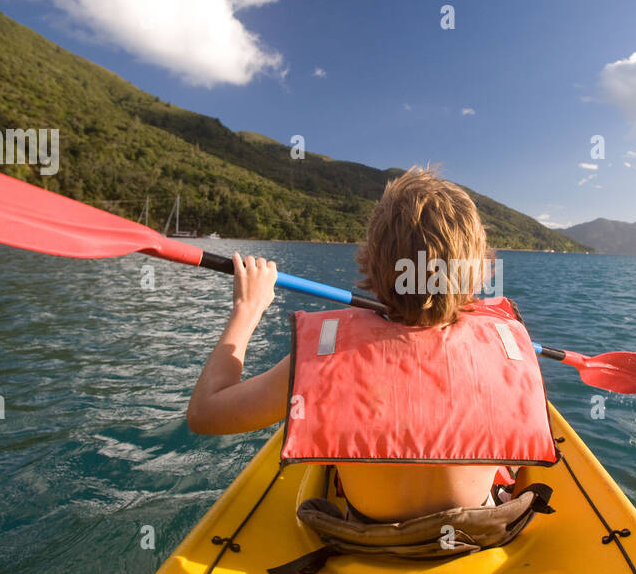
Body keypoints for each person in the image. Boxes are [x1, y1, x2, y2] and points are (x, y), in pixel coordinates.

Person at [186, 168, 543, 522]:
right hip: (474, 536)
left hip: (363, 536)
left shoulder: (325, 357)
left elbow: (205, 413)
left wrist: (247, 309)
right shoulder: (506, 350)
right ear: (477, 272)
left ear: (371, 262)